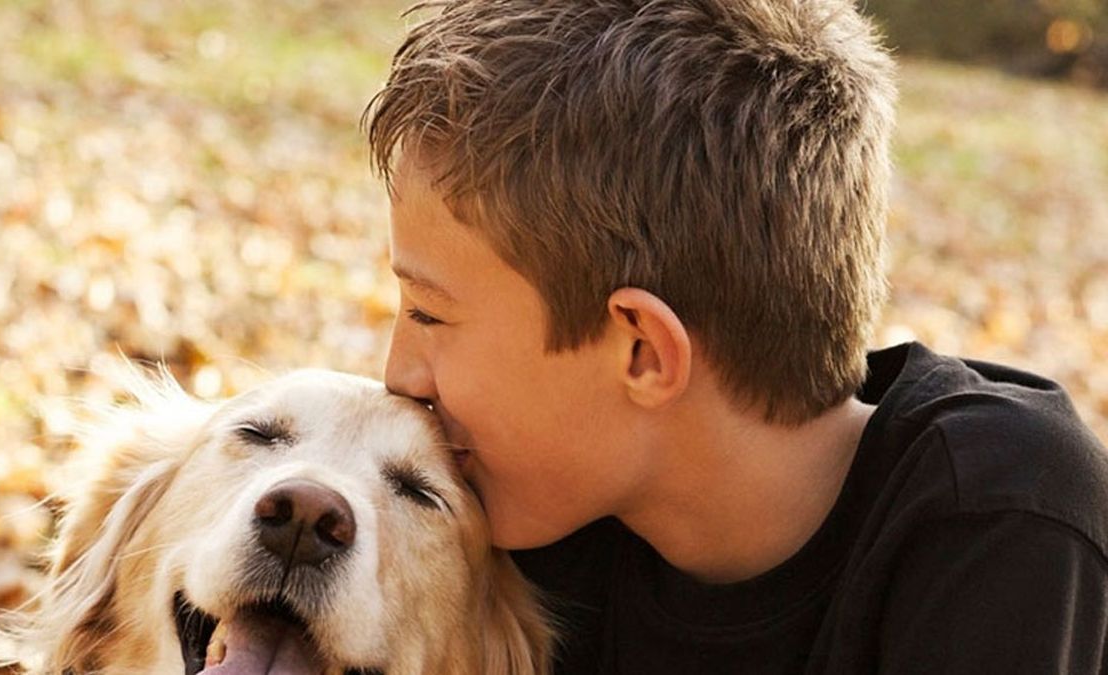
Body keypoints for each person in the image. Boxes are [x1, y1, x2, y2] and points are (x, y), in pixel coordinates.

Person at [363, 0, 1108, 672]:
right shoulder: (539, 521)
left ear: (643, 352)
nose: (399, 373)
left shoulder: (1001, 516)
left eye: (428, 314)